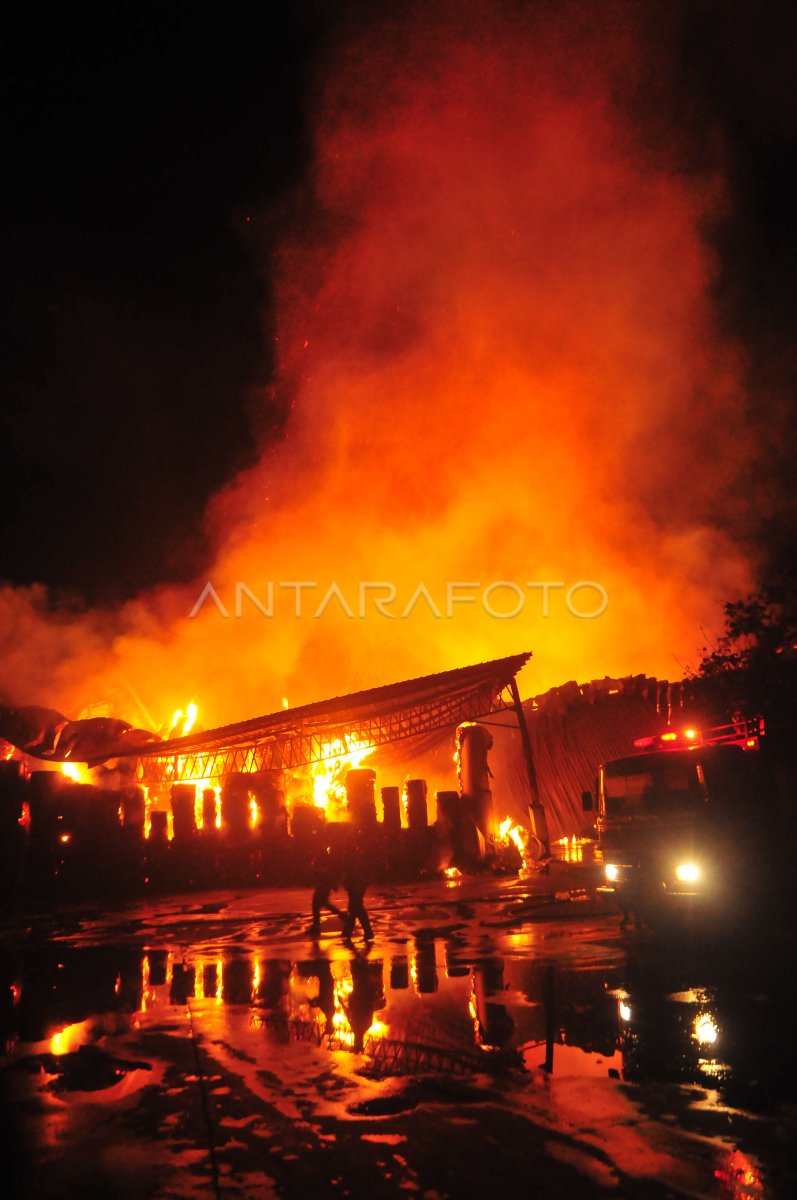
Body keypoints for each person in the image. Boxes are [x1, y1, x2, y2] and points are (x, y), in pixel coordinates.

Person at [309, 847, 344, 938]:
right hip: (323, 885)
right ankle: (343, 916)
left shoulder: (324, 859)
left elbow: (325, 872)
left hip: (323, 886)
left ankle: (316, 927)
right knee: (321, 905)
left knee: (317, 905)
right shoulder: (323, 859)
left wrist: (315, 870)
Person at [342, 842, 374, 942]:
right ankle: (365, 932)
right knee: (358, 910)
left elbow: (354, 875)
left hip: (356, 887)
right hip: (357, 887)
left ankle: (349, 931)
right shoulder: (357, 859)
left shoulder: (354, 861)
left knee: (354, 909)